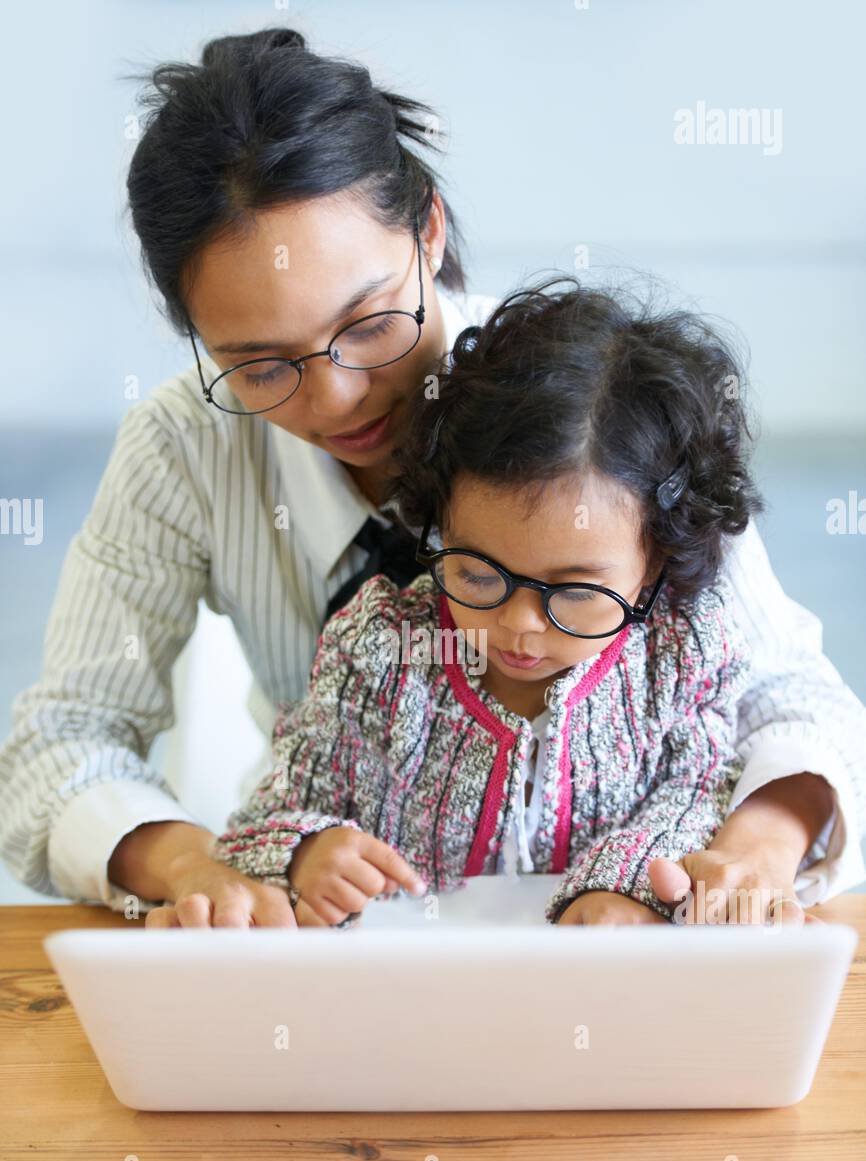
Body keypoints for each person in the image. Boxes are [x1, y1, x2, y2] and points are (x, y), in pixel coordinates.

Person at [0, 27, 863, 929]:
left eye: (368, 323)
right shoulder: (184, 445)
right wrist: (190, 864)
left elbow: (789, 695)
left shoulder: (594, 414)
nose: (337, 399)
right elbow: (62, 742)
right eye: (260, 366)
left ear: (430, 227)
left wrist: (753, 852)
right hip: (367, 937)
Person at [208, 281, 761, 926]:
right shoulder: (380, 648)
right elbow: (261, 821)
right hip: (408, 990)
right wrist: (306, 852)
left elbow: (699, 790)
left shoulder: (679, 652)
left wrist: (624, 884)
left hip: (597, 991)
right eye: (477, 574)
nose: (519, 626)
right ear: (439, 522)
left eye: (577, 591)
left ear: (656, 563)